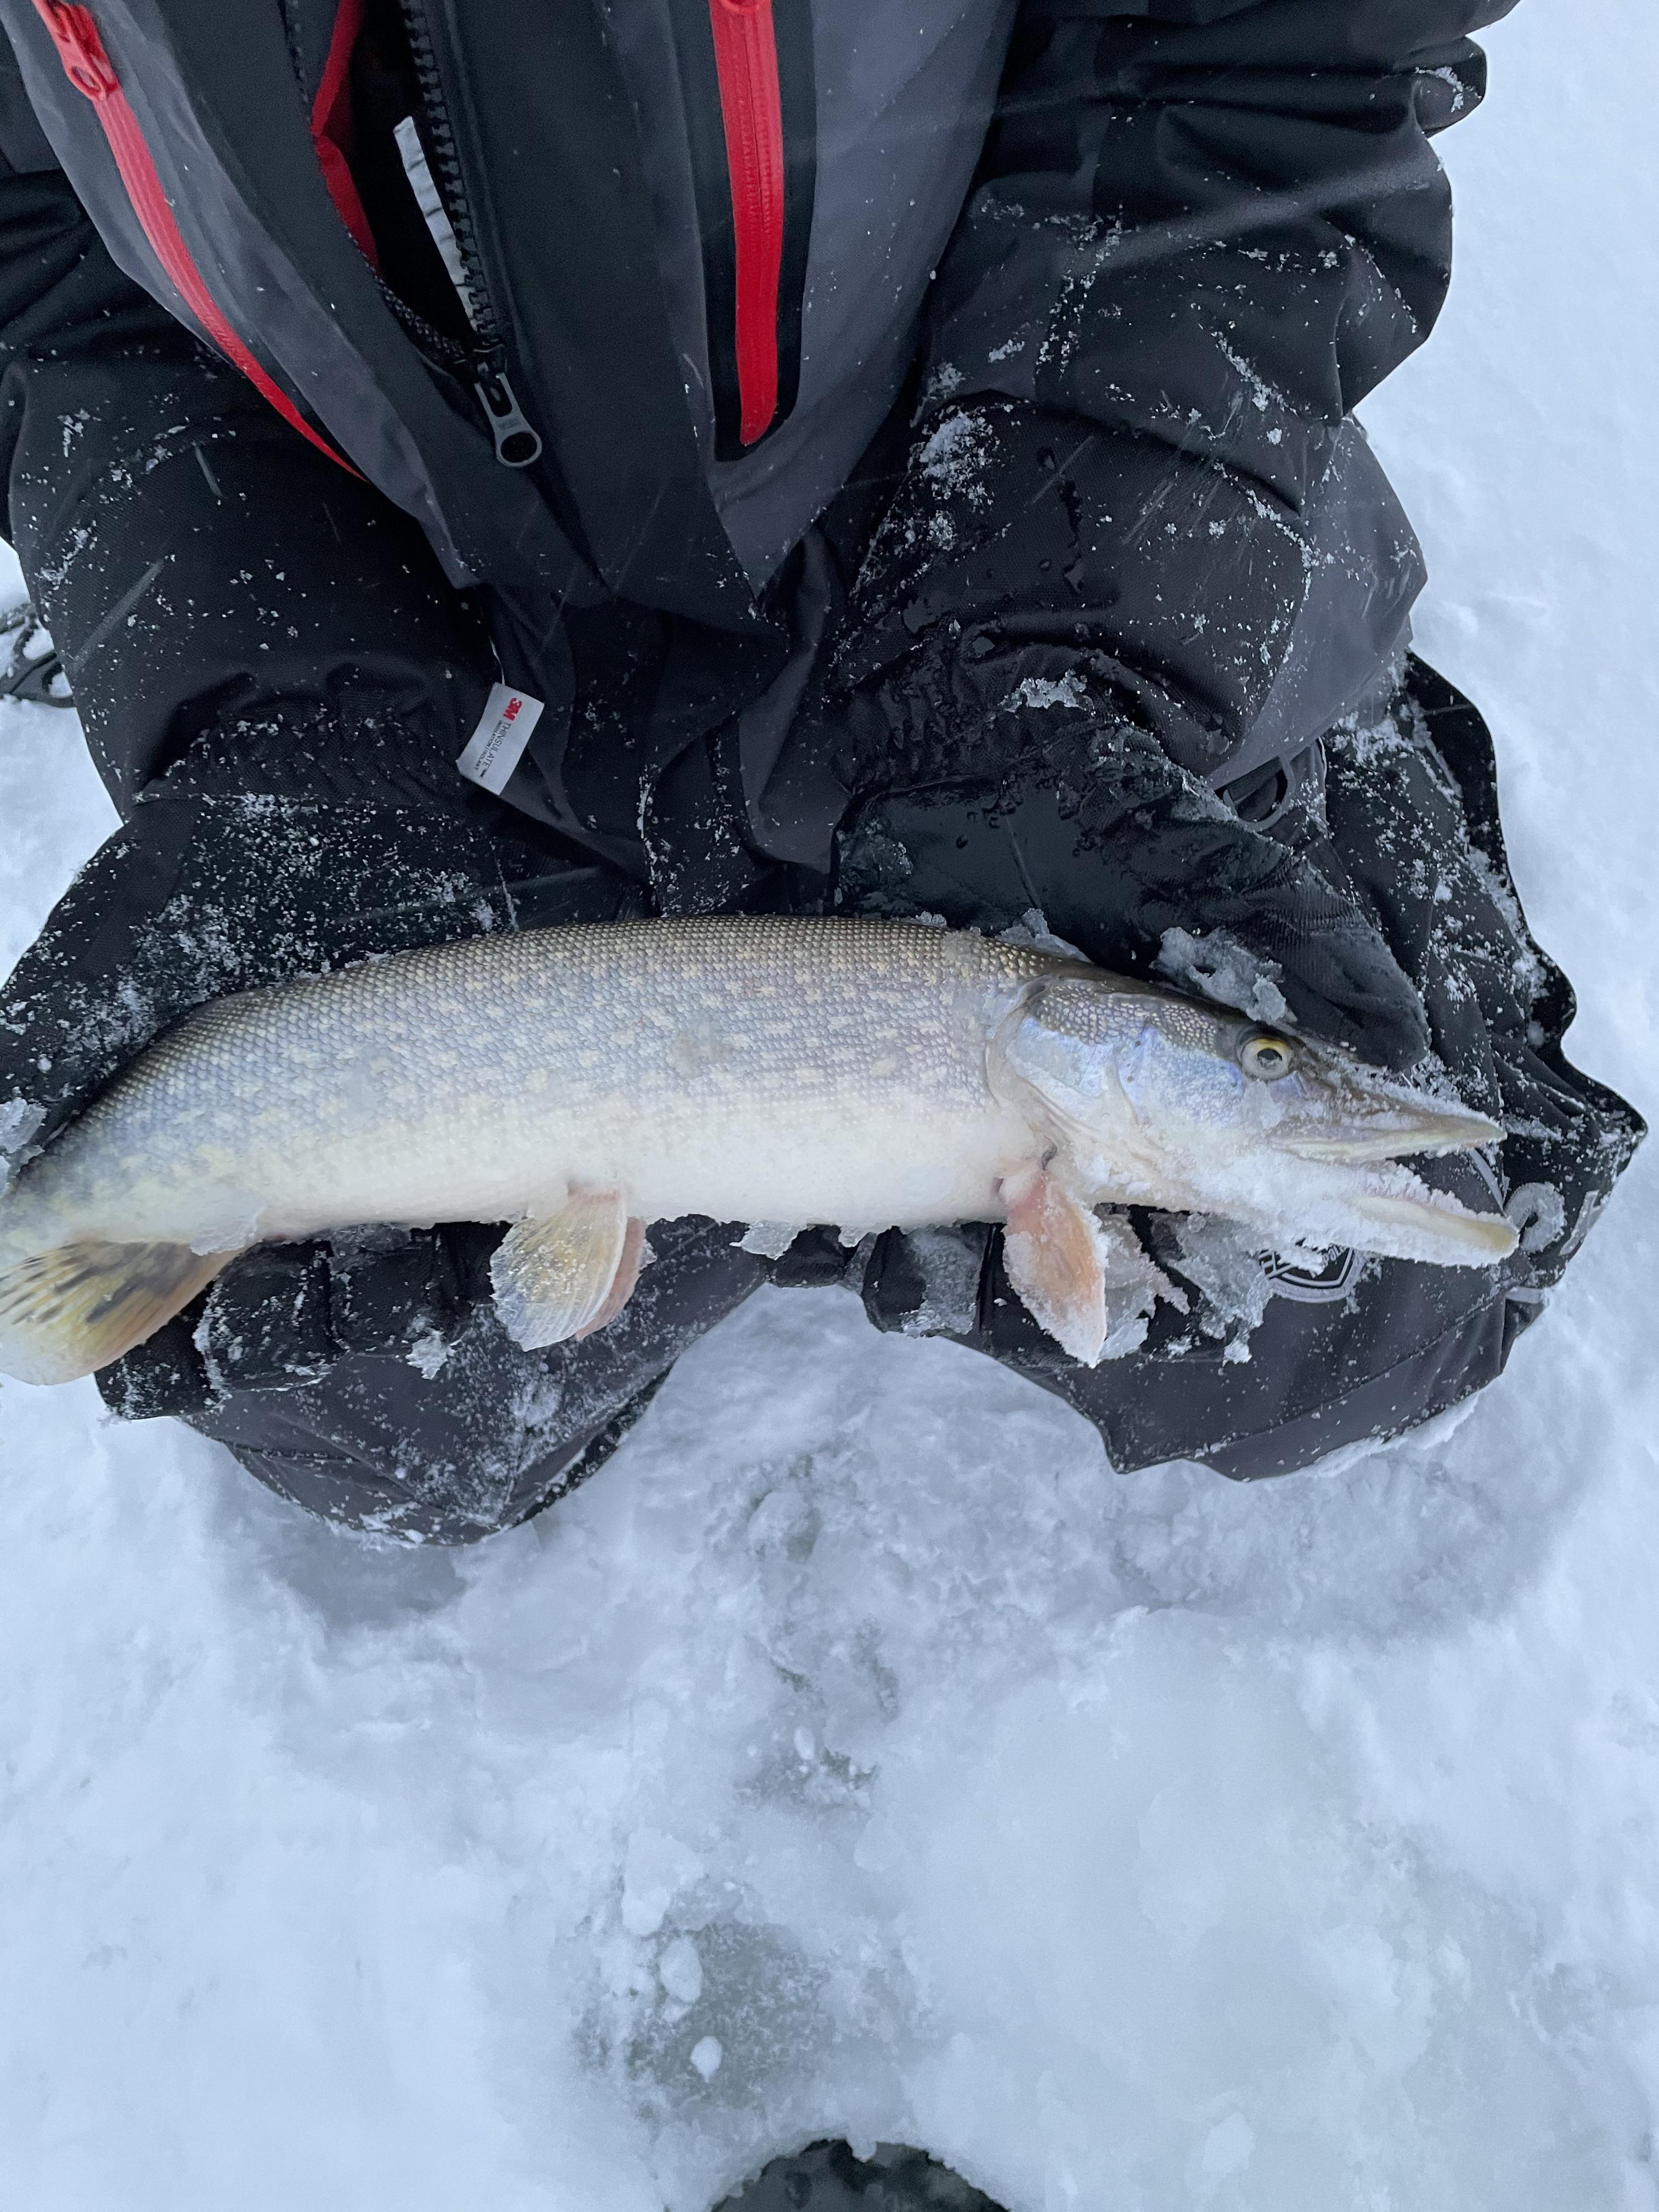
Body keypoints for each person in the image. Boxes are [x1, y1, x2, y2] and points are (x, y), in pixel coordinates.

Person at [0, 0, 1640, 1554]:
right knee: (375, 1416)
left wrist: (1047, 632)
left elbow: (1265, 40)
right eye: (1264, 1065)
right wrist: (297, 699)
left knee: (1374, 1315)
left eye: (1252, 1063)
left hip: (1030, 602)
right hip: (461, 705)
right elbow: (43, 260)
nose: (1288, 1079)